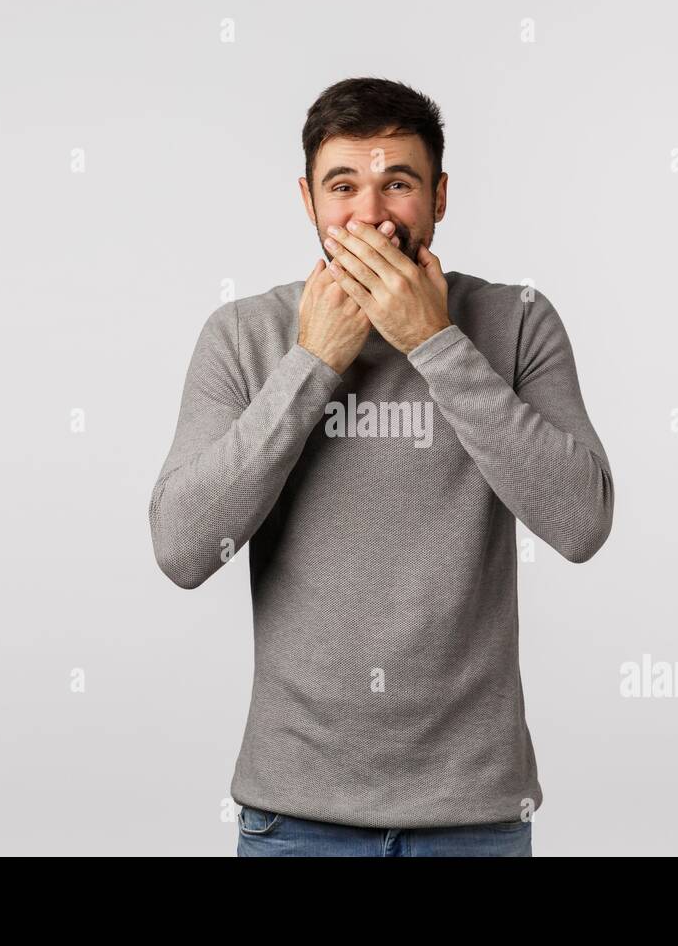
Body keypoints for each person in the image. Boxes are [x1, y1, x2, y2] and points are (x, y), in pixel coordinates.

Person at [148, 77, 614, 857]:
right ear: (308, 199)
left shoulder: (518, 322)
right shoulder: (243, 335)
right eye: (343, 186)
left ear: (438, 197)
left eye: (397, 183)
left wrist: (435, 343)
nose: (370, 215)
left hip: (476, 816)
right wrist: (312, 363)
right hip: (293, 816)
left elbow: (581, 524)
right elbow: (183, 549)